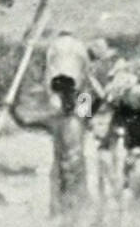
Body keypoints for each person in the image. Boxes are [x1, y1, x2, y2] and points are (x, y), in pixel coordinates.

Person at [10, 74, 90, 215]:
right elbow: (24, 121)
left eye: (69, 96)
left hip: (76, 168)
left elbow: (88, 96)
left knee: (78, 207)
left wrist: (84, 74)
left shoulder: (80, 116)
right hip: (61, 169)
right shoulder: (55, 119)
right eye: (63, 97)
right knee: (61, 209)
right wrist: (12, 108)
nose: (66, 99)